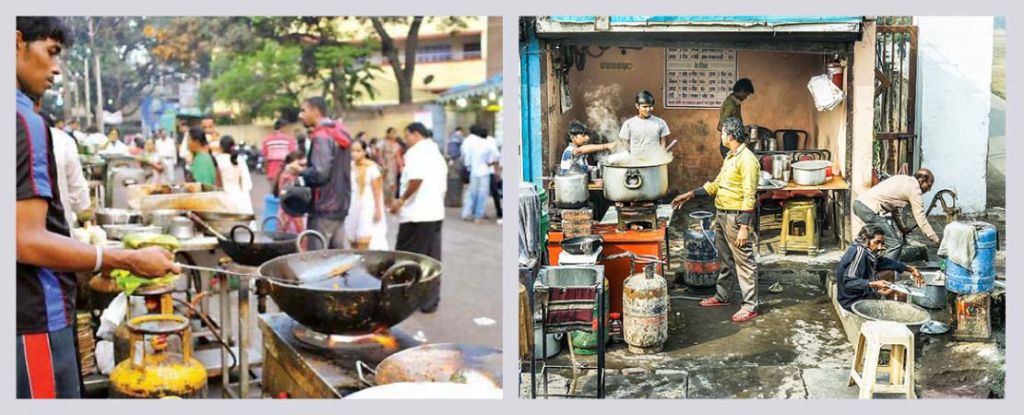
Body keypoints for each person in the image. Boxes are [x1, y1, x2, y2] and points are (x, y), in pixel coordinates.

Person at [16, 16, 179, 399]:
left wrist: (90, 271)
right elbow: (25, 241)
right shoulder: (24, 120)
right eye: (51, 52)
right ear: (15, 42)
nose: (57, 68)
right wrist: (125, 259)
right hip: (32, 318)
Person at [671, 117, 761, 323]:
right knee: (726, 259)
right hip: (721, 214)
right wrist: (690, 194)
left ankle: (750, 306)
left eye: (722, 134)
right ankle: (723, 295)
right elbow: (715, 185)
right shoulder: (730, 157)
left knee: (744, 262)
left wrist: (744, 227)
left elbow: (750, 195)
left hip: (736, 217)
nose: (720, 137)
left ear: (730, 136)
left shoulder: (747, 160)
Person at [389, 122, 447, 313]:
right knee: (431, 259)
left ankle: (406, 299)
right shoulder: (436, 153)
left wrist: (401, 200)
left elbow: (416, 180)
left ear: (415, 135)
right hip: (434, 212)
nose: (405, 141)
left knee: (408, 258)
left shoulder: (416, 153)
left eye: (407, 136)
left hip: (417, 215)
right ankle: (429, 302)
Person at [297, 96, 352, 249]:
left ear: (315, 112)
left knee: (317, 258)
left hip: (323, 206)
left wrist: (301, 171)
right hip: (340, 204)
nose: (300, 115)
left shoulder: (321, 136)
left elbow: (320, 173)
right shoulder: (341, 131)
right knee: (339, 258)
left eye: (303, 111)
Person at [853, 169, 941, 260]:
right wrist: (937, 241)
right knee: (895, 244)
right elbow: (921, 219)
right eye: (929, 185)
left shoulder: (903, 179)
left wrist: (902, 227)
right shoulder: (914, 190)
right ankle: (885, 270)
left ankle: (869, 262)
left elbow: (894, 209)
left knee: (876, 240)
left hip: (859, 204)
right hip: (869, 209)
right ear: (922, 181)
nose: (929, 189)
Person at [837, 225, 925, 310]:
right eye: (877, 242)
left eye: (882, 243)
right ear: (865, 240)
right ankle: (896, 319)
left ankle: (885, 303)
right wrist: (875, 284)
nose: (880, 247)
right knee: (901, 293)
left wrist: (911, 269)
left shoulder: (865, 250)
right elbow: (849, 282)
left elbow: (885, 262)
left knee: (889, 273)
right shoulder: (859, 253)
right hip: (852, 301)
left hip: (857, 294)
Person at [344, 140, 389, 250]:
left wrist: (378, 209)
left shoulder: (372, 167)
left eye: (358, 151)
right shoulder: (349, 167)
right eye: (353, 151)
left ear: (364, 152)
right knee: (352, 235)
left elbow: (377, 191)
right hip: (353, 204)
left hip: (367, 204)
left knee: (364, 235)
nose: (355, 154)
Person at [459, 124, 500, 223]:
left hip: (473, 172)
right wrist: (490, 163)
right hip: (484, 171)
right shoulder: (487, 143)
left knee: (472, 193)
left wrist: (469, 166)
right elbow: (497, 155)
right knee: (482, 195)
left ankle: (468, 213)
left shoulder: (471, 143)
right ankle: (478, 215)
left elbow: (467, 158)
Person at [619, 89, 670, 156]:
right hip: (636, 162)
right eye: (645, 107)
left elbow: (663, 143)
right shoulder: (628, 124)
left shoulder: (660, 123)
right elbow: (624, 144)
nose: (648, 109)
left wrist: (661, 155)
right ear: (637, 106)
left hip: (654, 161)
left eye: (650, 106)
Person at [215, 135, 254, 214]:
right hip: (238, 196)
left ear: (220, 147)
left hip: (223, 196)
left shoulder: (217, 160)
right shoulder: (240, 160)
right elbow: (246, 182)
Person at [718, 78, 754, 158]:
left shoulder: (734, 103)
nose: (746, 97)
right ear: (741, 91)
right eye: (746, 94)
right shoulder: (731, 105)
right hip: (730, 144)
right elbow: (724, 124)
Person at [277, 150, 308, 234]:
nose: (304, 168)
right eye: (301, 165)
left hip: (296, 214)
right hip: (290, 213)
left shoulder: (297, 175)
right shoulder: (287, 176)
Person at [262, 119, 298, 184]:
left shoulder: (267, 140)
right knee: (285, 193)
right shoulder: (289, 140)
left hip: (272, 173)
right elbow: (293, 156)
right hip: (286, 172)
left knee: (273, 192)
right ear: (282, 127)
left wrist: (267, 172)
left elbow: (265, 159)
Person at [378, 127, 405, 204]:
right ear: (388, 134)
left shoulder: (397, 145)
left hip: (393, 168)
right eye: (392, 133)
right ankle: (385, 202)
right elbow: (380, 155)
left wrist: (401, 167)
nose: (394, 135)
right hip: (385, 168)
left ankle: (392, 201)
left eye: (395, 133)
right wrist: (383, 164)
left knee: (393, 184)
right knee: (386, 185)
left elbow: (398, 157)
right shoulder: (383, 144)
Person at [488, 132, 504, 224]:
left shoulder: (492, 142)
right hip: (492, 172)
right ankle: (500, 213)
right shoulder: (493, 141)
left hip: (491, 172)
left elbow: (499, 162)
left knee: (497, 194)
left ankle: (500, 213)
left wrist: (497, 172)